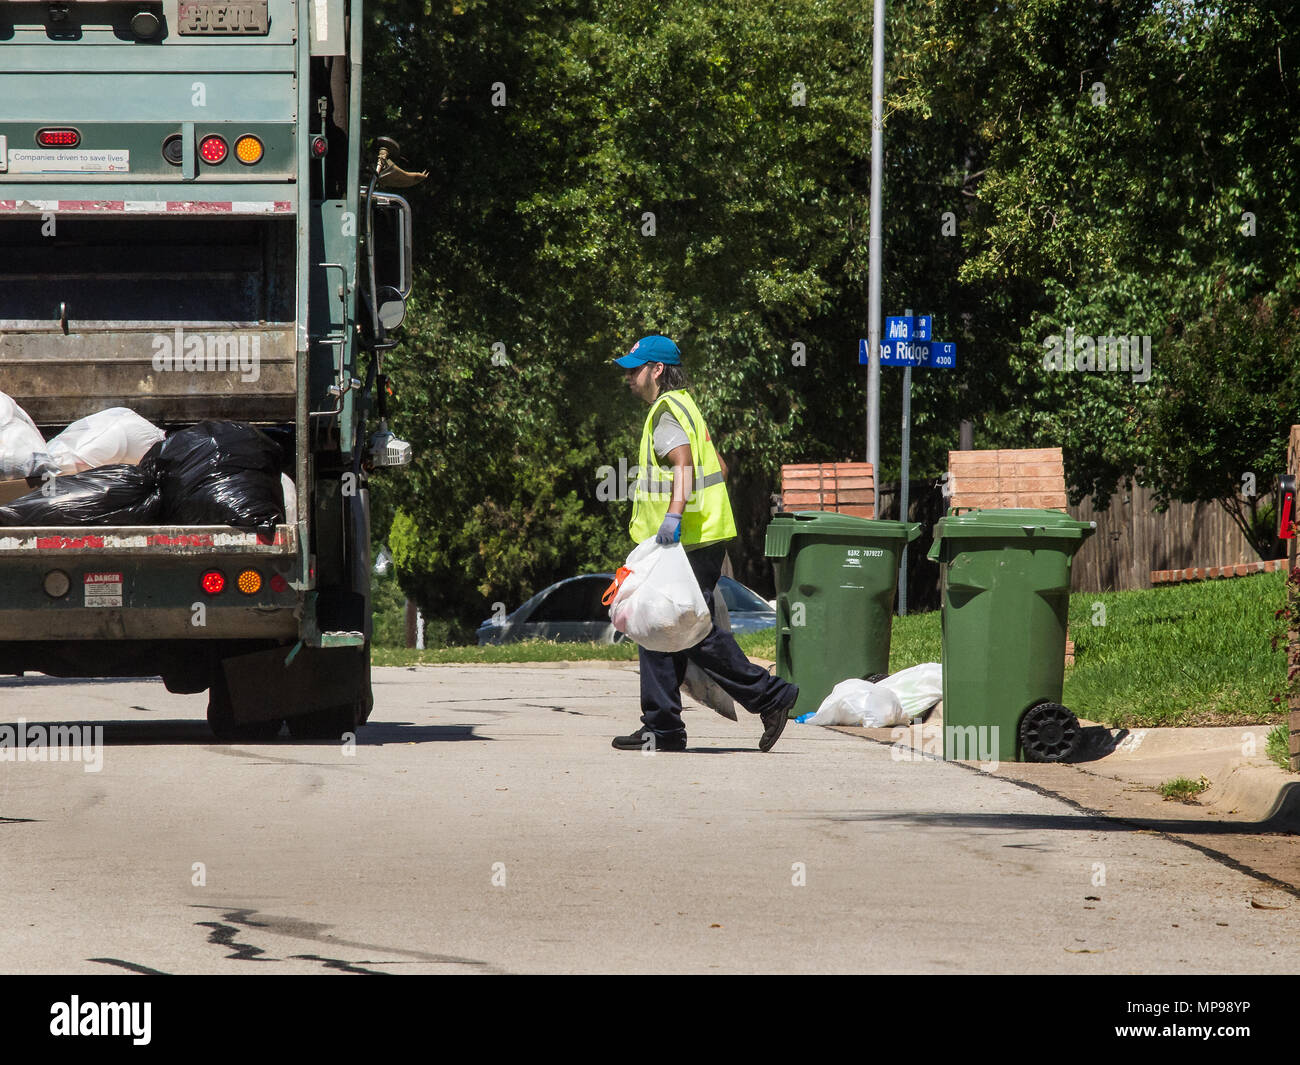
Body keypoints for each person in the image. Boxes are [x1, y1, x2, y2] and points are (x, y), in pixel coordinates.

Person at [610, 334, 798, 753]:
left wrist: (675, 515)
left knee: (674, 628)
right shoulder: (688, 407)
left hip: (682, 542)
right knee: (668, 628)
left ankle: (768, 696)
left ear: (657, 370)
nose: (628, 377)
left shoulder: (665, 412)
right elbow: (721, 467)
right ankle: (663, 728)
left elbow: (683, 463)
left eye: (634, 369)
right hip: (700, 538)